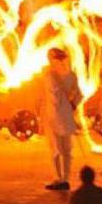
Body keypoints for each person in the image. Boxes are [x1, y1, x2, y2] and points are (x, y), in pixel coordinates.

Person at [42, 48, 82, 191]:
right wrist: (71, 106)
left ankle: (58, 178)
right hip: (67, 116)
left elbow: (54, 98)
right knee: (67, 150)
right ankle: (66, 178)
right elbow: (79, 95)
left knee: (55, 149)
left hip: (54, 116)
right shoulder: (72, 75)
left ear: (53, 59)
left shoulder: (50, 76)